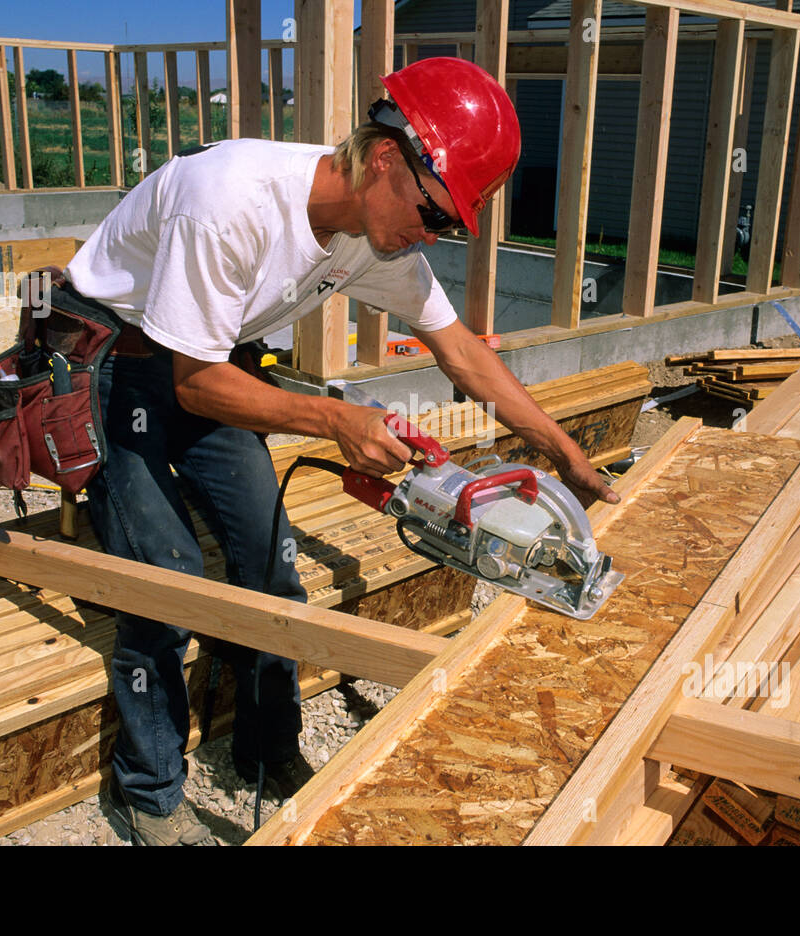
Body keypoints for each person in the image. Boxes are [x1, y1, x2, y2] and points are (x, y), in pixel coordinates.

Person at [60, 56, 618, 845]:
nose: (433, 236)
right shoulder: (231, 200)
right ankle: (147, 791)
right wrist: (334, 421)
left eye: (450, 226)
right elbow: (190, 387)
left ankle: (267, 749)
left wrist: (562, 451)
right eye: (436, 214)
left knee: (270, 563)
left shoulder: (370, 238)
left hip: (213, 365)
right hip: (115, 367)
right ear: (386, 158)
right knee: (170, 579)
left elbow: (460, 351)